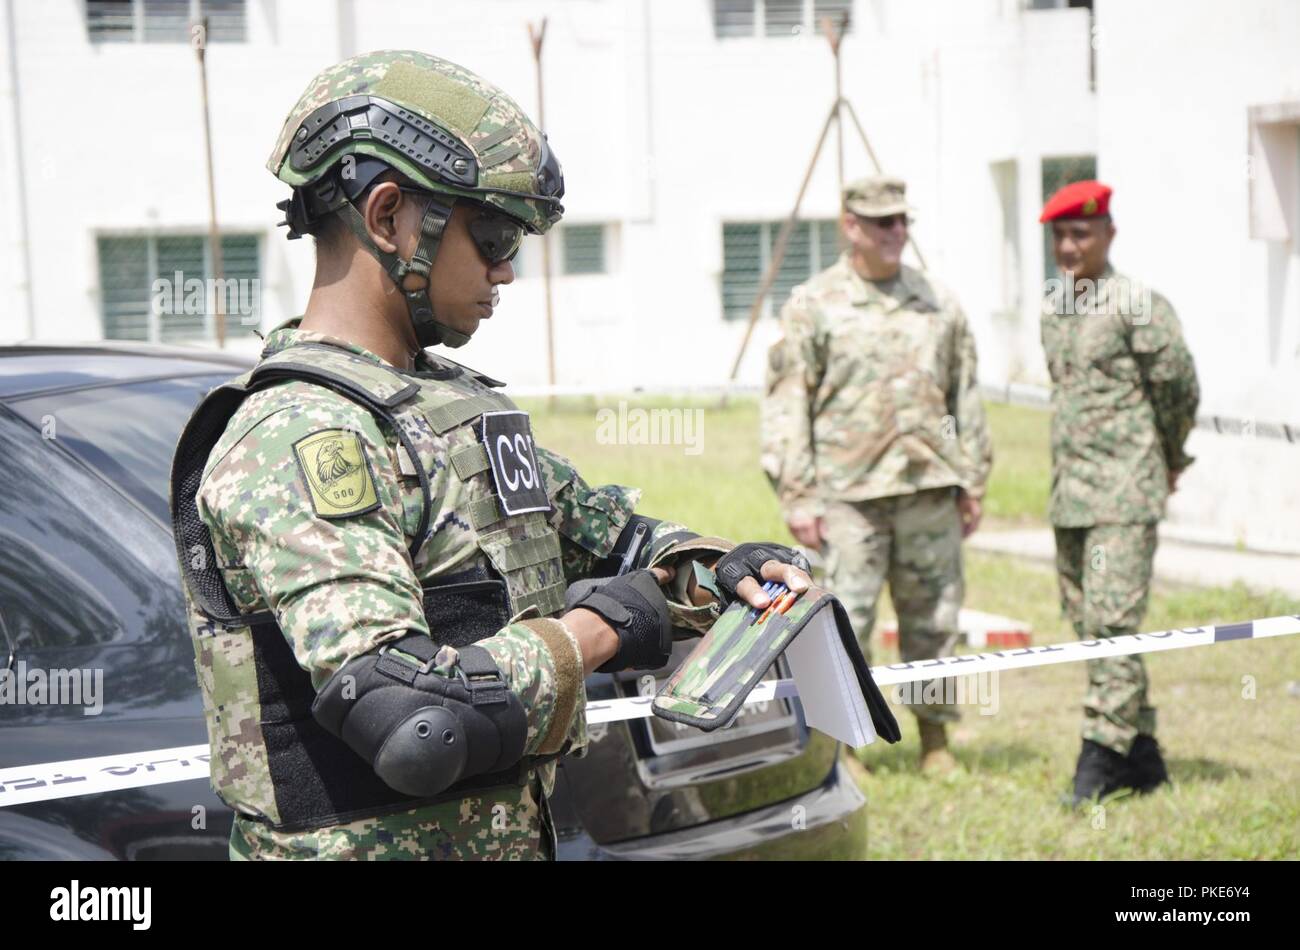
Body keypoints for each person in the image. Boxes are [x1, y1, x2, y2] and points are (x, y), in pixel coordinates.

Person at [169, 50, 811, 860]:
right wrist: (600, 630)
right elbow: (414, 723)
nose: (507, 268)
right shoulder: (300, 436)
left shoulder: (453, 409)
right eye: (494, 234)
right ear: (389, 215)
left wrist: (715, 566)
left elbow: (614, 537)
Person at [762, 175, 992, 773]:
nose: (896, 232)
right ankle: (846, 745)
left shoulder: (938, 302)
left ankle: (936, 741)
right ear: (851, 226)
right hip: (848, 494)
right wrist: (798, 493)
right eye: (882, 222)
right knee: (846, 626)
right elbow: (789, 402)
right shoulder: (815, 305)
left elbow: (964, 395)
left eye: (902, 221)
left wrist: (972, 479)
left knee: (935, 622)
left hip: (928, 490)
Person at [1038, 179, 1199, 805]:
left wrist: (1169, 456)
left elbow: (1179, 388)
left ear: (1108, 233)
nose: (1070, 246)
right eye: (1060, 235)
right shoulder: (1053, 305)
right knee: (1091, 625)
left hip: (1125, 491)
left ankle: (1099, 760)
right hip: (1069, 493)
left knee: (1114, 624)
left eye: (1082, 232)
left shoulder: (1139, 304)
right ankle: (1144, 754)